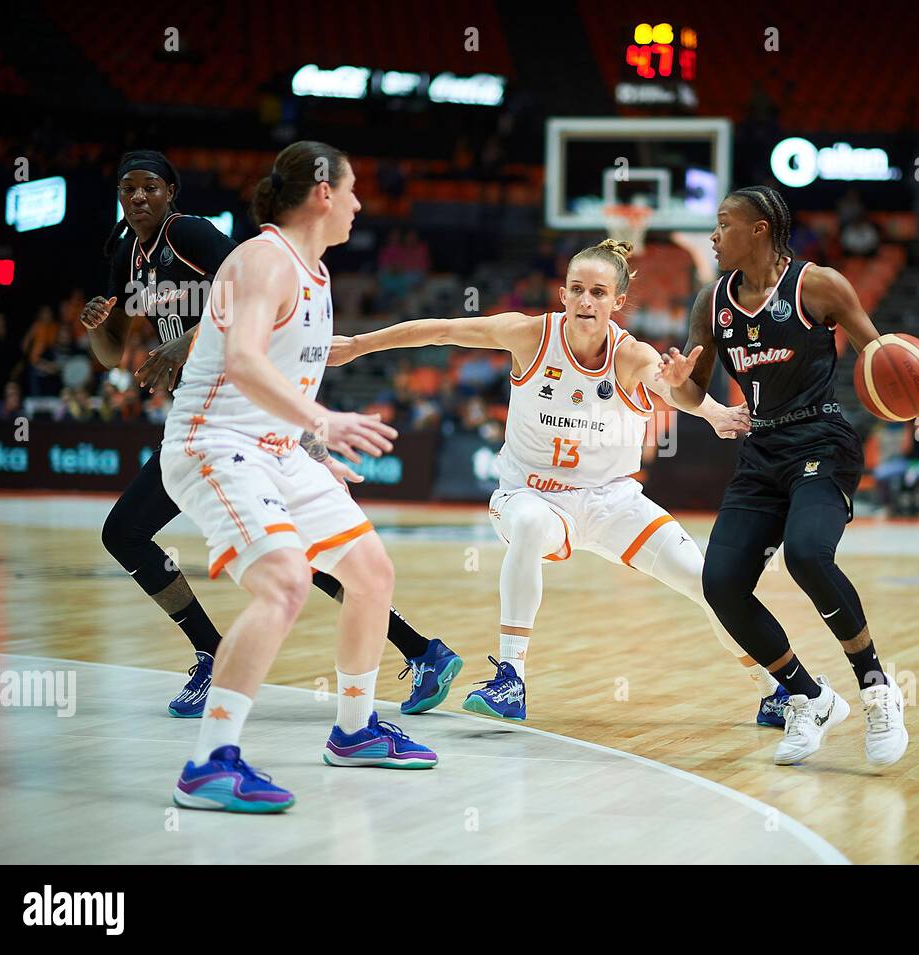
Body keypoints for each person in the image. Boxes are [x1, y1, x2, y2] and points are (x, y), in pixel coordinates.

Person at [329, 240, 802, 726]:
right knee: (530, 523)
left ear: (617, 301)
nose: (585, 301)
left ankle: (772, 691)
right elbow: (442, 330)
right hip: (531, 495)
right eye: (576, 289)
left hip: (612, 502)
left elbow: (670, 388)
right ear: (562, 294)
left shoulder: (631, 355)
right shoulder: (530, 335)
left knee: (710, 585)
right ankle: (510, 678)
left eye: (598, 292)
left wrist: (713, 410)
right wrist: (359, 344)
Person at [81, 150, 454, 719]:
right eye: (127, 187)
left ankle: (222, 666)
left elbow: (243, 289)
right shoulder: (128, 255)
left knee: (288, 557)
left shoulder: (191, 235)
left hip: (239, 416)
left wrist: (188, 343)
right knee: (275, 551)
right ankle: (415, 654)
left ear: (171, 192)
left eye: (150, 187)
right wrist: (97, 326)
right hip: (225, 419)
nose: (138, 197)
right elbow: (111, 354)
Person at [162, 141, 436, 814]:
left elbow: (283, 383)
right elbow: (245, 362)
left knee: (370, 571)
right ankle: (209, 762)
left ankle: (354, 730)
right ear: (322, 192)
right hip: (214, 443)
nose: (359, 203)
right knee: (285, 581)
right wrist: (323, 422)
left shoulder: (317, 273)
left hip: (278, 448)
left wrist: (308, 446)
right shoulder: (262, 259)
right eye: (352, 189)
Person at [657, 185, 919, 766]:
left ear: (759, 229)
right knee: (721, 585)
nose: (713, 236)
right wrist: (678, 383)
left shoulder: (818, 286)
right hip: (761, 450)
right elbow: (692, 392)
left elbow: (883, 357)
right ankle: (808, 697)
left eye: (723, 224)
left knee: (808, 556)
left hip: (822, 441)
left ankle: (876, 688)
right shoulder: (711, 303)